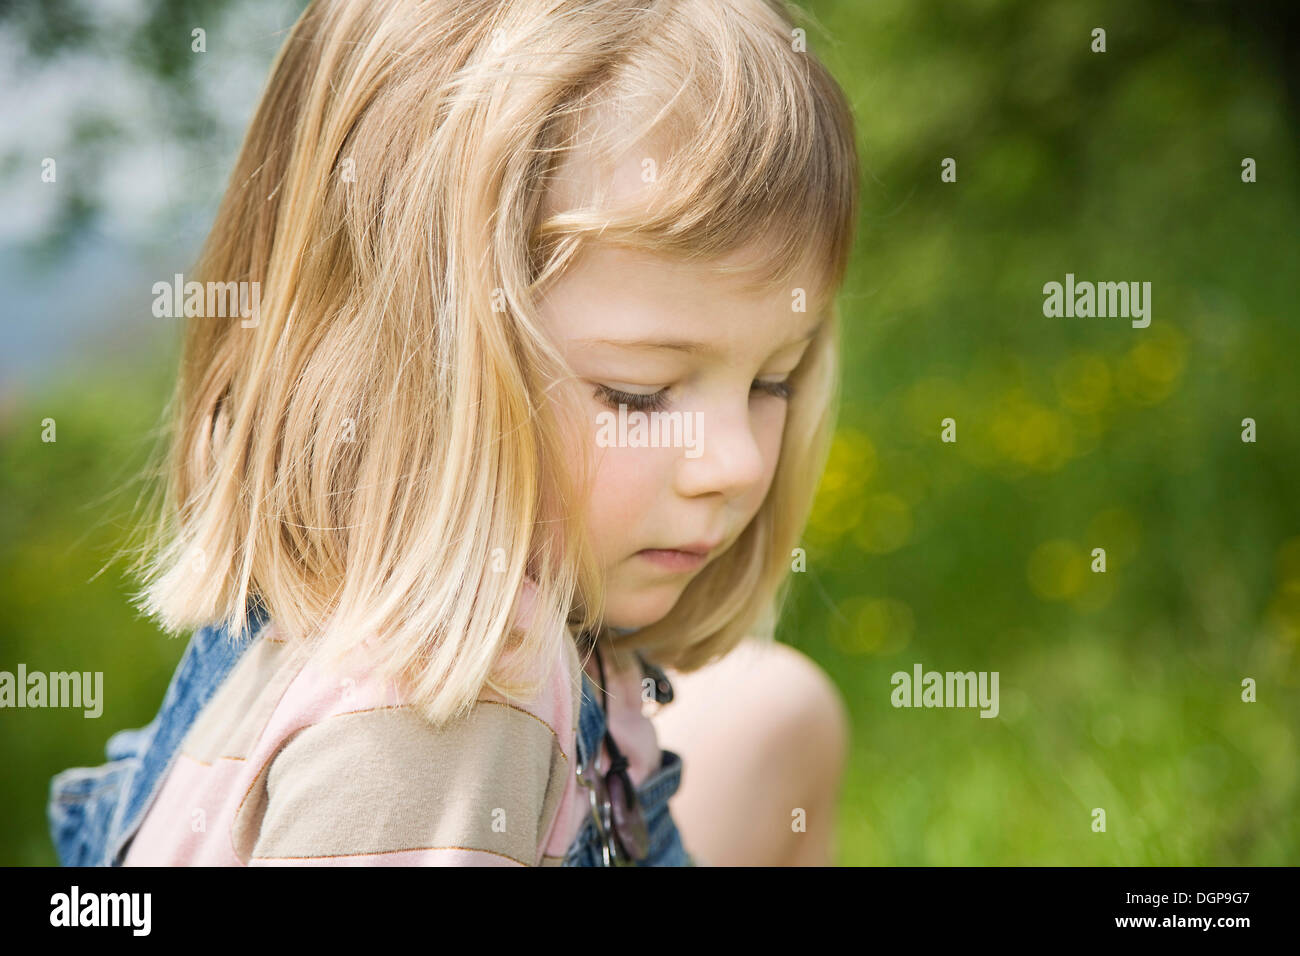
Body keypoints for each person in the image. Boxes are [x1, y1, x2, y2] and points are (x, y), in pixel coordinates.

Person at [47, 0, 859, 867]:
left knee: (778, 705)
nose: (735, 463)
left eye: (774, 380)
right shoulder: (447, 717)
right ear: (404, 369)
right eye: (640, 393)